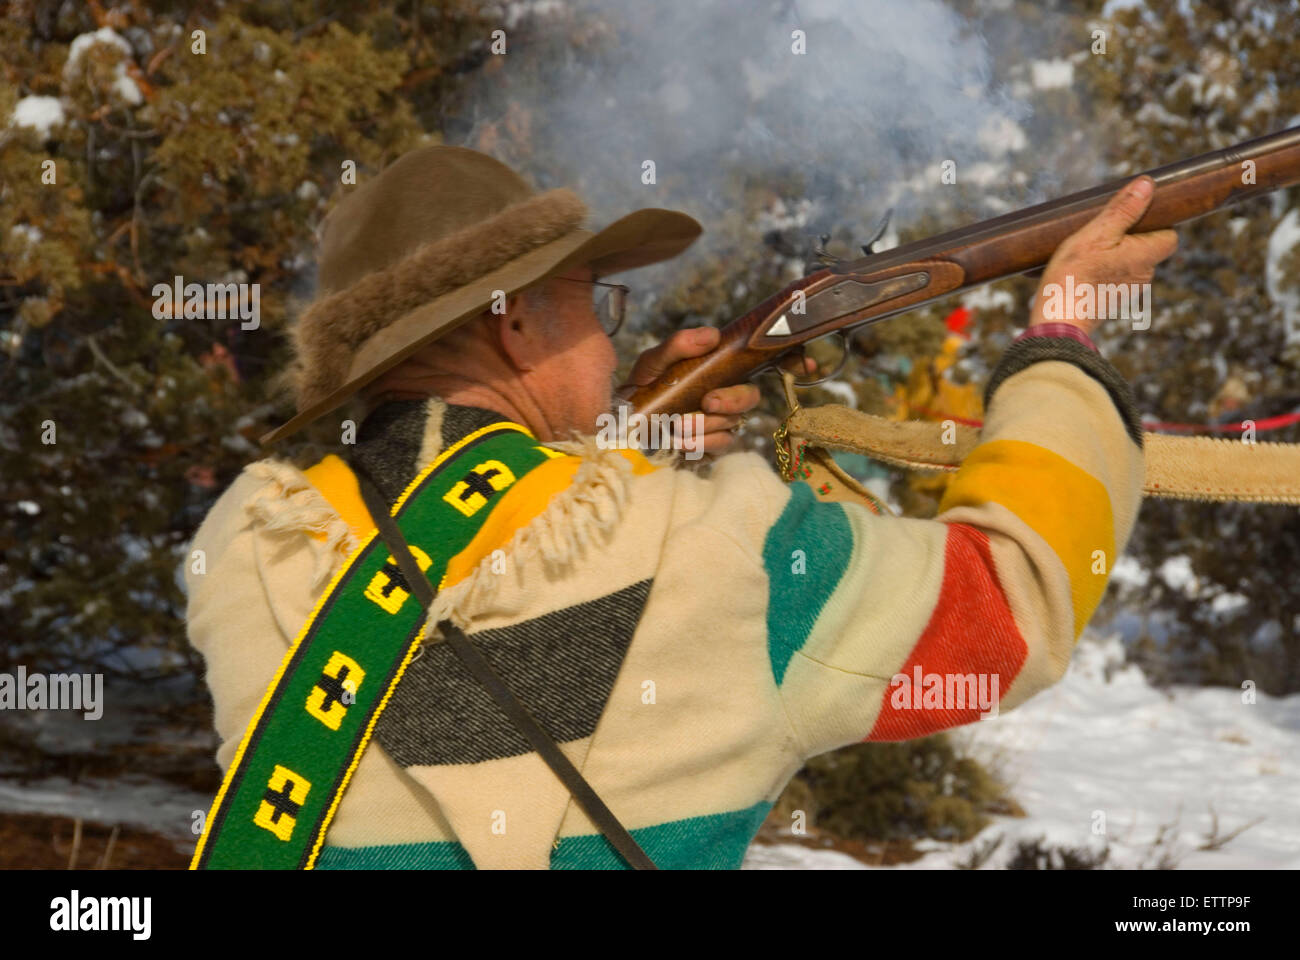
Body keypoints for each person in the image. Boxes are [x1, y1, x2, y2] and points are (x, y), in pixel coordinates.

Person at [184, 144, 1176, 869]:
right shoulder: (717, 542)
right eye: (596, 301)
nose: (618, 341)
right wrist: (1063, 341)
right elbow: (1009, 611)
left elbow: (463, 555)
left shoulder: (246, 546)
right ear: (518, 322)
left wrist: (624, 438)